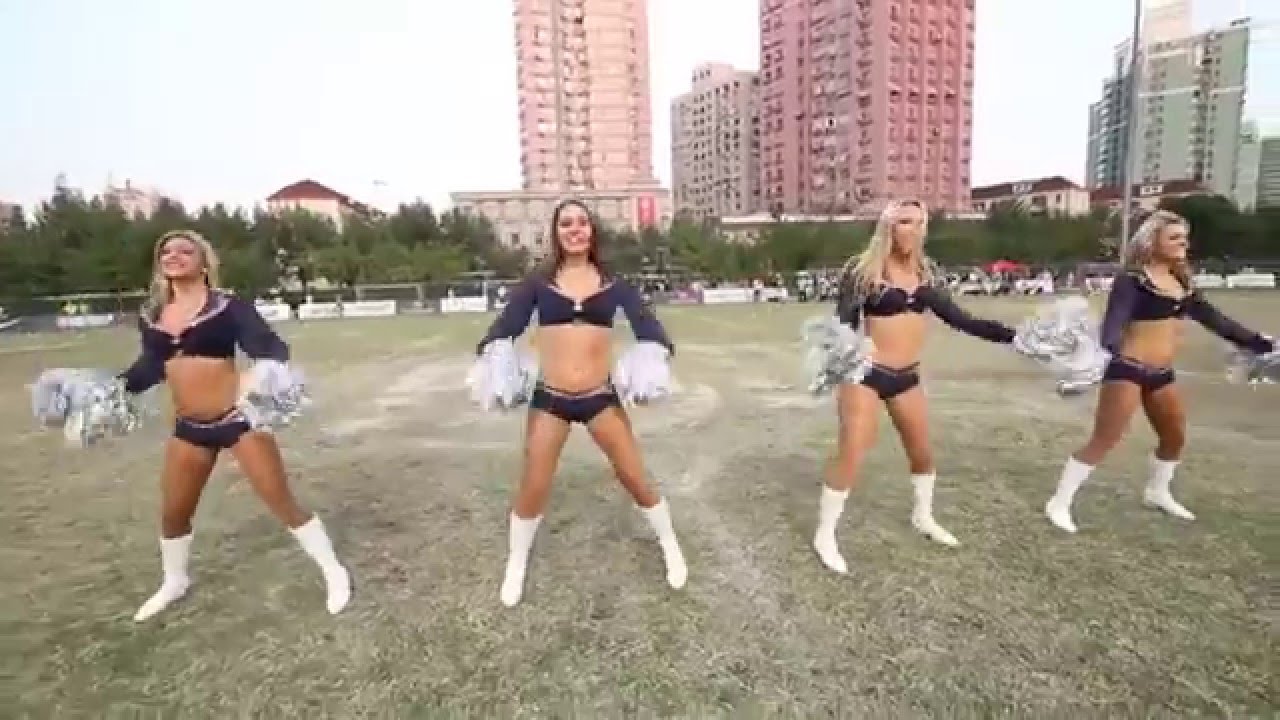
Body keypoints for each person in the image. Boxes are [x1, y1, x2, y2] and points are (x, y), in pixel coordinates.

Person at [39, 230, 351, 620]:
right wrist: (106, 388)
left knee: (281, 502)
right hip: (189, 428)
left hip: (239, 421)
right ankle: (174, 581)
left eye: (184, 251)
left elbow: (270, 348)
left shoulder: (229, 307)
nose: (173, 256)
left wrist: (261, 376)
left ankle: (333, 571)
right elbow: (151, 367)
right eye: (166, 252)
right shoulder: (152, 316)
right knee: (174, 512)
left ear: (204, 263)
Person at [471, 199, 688, 607]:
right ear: (556, 232)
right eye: (566, 223)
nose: (574, 229)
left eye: (582, 223)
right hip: (550, 399)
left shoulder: (614, 284)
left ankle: (670, 545)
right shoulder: (537, 283)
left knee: (635, 476)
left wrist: (653, 358)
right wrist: (494, 355)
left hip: (599, 398)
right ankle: (516, 565)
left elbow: (650, 328)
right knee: (533, 485)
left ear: (592, 231)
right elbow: (506, 327)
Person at [812, 199, 1022, 575]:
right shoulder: (863, 272)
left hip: (907, 377)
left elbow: (963, 320)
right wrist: (842, 359)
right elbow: (841, 326)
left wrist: (1018, 337)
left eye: (918, 223)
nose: (911, 229)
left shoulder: (925, 276)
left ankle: (923, 517)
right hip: (865, 376)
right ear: (888, 226)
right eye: (904, 221)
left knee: (922, 452)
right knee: (854, 449)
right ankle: (826, 534)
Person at [1045, 211, 1276, 533]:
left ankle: (1157, 491)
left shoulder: (1183, 282)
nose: (1183, 243)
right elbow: (1114, 324)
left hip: (1161, 373)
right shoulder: (1133, 280)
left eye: (1184, 237)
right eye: (1174, 237)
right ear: (1152, 241)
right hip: (1127, 368)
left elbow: (1216, 320)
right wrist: (1100, 356)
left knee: (1174, 437)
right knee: (1106, 438)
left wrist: (1257, 343)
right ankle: (1059, 503)